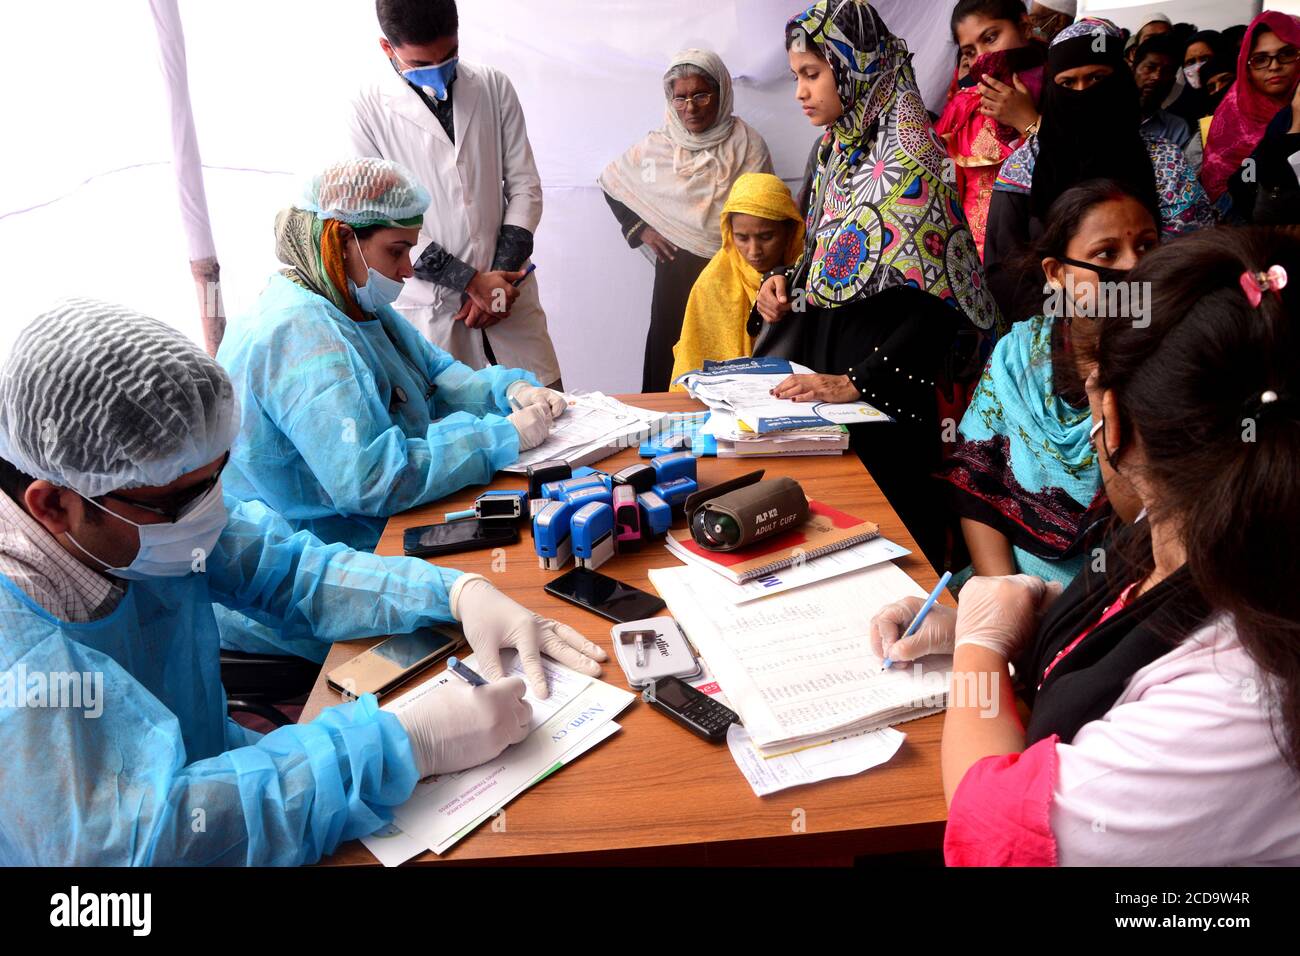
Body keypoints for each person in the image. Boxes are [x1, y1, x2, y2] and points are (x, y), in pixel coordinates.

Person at [0, 300, 607, 865]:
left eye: (217, 478)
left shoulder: (139, 520)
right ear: (53, 505)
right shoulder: (19, 656)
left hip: (229, 776)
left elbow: (295, 573)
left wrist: (452, 592)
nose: (212, 510)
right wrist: (398, 743)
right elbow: (139, 841)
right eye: (184, 497)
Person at [876, 226, 1300, 866]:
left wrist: (980, 656)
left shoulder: (1235, 694)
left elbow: (989, 828)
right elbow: (1138, 621)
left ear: (1114, 422)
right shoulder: (1182, 528)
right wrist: (993, 618)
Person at [753, 0, 1001, 569]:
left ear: (853, 65)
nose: (800, 92)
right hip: (824, 377)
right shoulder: (833, 153)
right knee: (820, 536)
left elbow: (940, 304)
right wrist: (781, 285)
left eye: (812, 74)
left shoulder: (914, 160)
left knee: (886, 541)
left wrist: (859, 383)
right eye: (797, 77)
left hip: (889, 393)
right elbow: (824, 259)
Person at [219, 159, 561, 553]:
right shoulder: (297, 334)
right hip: (325, 553)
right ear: (341, 239)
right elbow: (370, 478)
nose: (406, 270)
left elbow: (434, 375)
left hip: (384, 526)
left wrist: (509, 390)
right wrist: (499, 436)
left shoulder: (351, 302)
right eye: (396, 251)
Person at [937, 180, 1158, 588]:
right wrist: (1004, 596)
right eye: (1107, 253)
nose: (1133, 267)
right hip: (1011, 582)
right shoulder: (1019, 355)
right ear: (1057, 274)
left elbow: (1151, 518)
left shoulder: (1173, 362)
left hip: (1119, 593)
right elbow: (977, 479)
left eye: (1147, 246)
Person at [344, 0, 562, 387]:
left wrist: (499, 283)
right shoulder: (364, 110)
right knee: (464, 430)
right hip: (435, 307)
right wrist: (471, 282)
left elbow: (525, 186)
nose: (439, 73)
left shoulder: (493, 85)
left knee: (553, 422)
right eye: (420, 65)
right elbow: (377, 219)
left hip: (507, 298)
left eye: (449, 57)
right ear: (386, 48)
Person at [985, 17, 1213, 324]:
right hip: (1054, 332)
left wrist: (1132, 322)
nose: (1082, 93)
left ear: (1119, 81)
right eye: (1068, 83)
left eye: (1096, 79)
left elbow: (1192, 254)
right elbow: (1005, 267)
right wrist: (1069, 328)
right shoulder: (1024, 166)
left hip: (1154, 327)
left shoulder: (1164, 161)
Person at [600, 50, 774, 393]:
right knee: (669, 360)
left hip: (731, 272)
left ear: (721, 93)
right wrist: (641, 230)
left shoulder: (748, 145)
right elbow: (612, 181)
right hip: (676, 274)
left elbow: (763, 210)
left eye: (701, 94)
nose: (690, 107)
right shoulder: (659, 146)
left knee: (727, 365)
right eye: (680, 97)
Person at [669, 173, 804, 387]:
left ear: (790, 230)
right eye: (742, 238)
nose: (754, 251)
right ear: (730, 233)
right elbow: (694, 362)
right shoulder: (712, 283)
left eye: (766, 237)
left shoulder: (809, 277)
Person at [940, 0, 1046, 257]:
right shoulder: (964, 107)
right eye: (971, 52)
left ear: (1024, 27)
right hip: (972, 260)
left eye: (991, 38)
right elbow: (946, 190)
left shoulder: (1062, 90)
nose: (984, 57)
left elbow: (1076, 183)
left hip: (1038, 259)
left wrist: (1028, 122)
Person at [1202, 12, 1300, 206]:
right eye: (1260, 59)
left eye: (1287, 53)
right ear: (1246, 67)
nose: (1274, 66)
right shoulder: (1233, 116)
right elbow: (1234, 199)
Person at [1131, 34, 1201, 173]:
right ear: (1133, 69)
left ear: (1173, 80)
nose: (1157, 77)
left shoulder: (1177, 128)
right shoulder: (1106, 115)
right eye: (1150, 68)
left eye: (1167, 71)